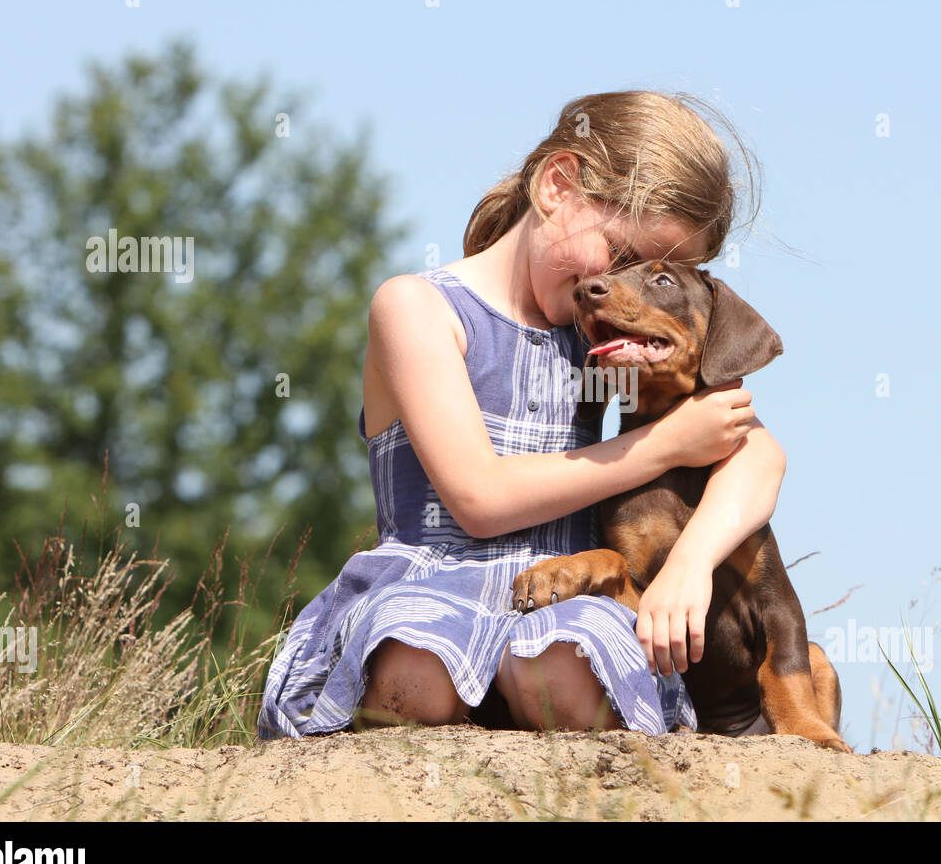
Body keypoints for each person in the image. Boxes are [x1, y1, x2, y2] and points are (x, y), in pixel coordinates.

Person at [257, 90, 786, 739]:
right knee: (418, 667)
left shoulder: (604, 343)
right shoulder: (419, 308)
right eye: (621, 255)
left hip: (570, 597)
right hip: (432, 586)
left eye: (651, 275)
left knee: (566, 666)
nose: (625, 293)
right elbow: (479, 498)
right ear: (558, 186)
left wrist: (690, 564)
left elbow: (758, 454)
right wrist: (663, 446)